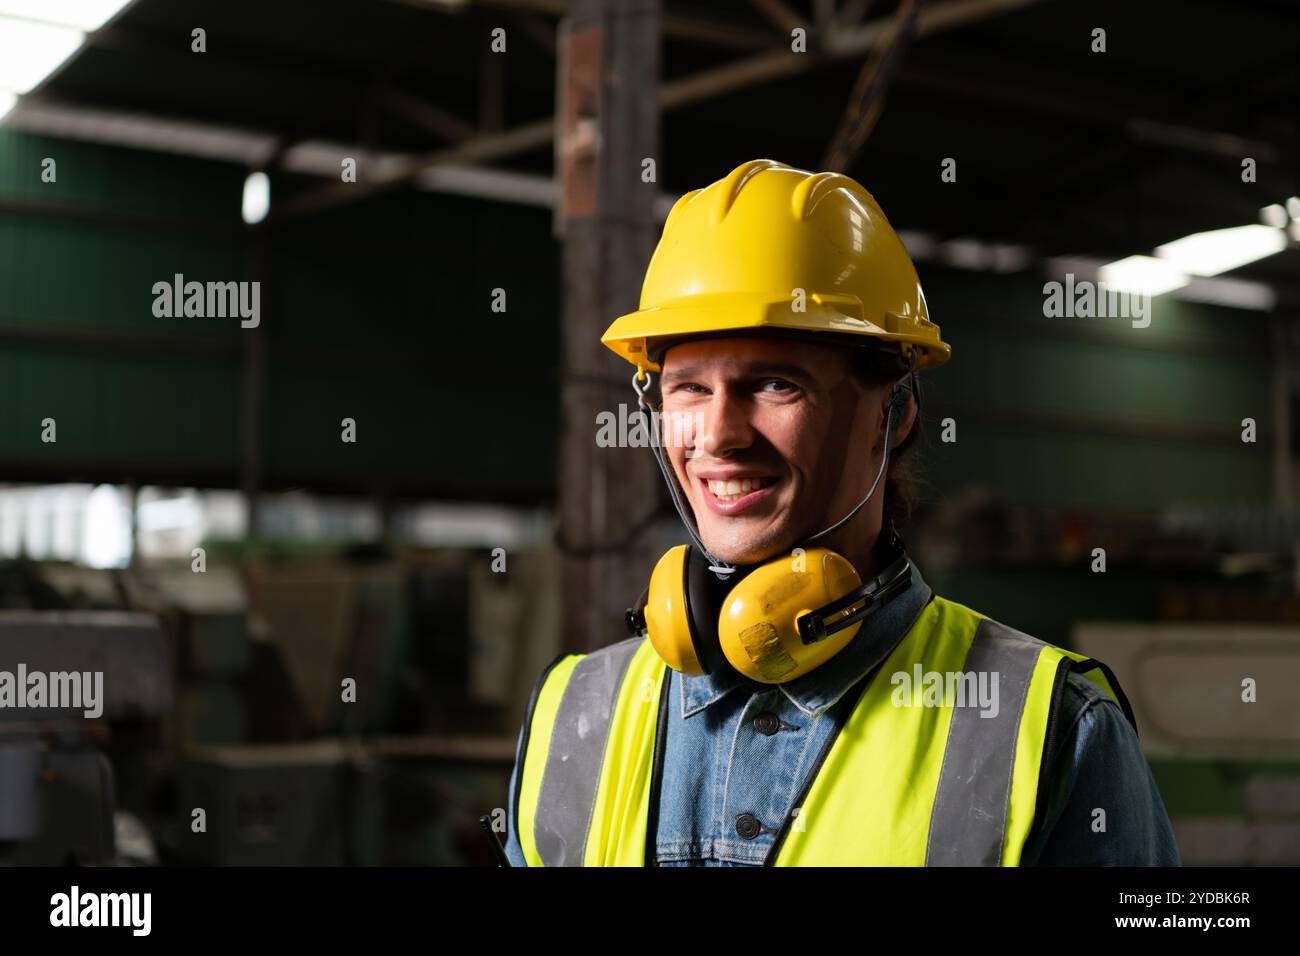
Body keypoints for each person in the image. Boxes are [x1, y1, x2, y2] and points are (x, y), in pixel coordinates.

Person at [502, 159, 1180, 866]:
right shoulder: (571, 717)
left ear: (895, 417)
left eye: (773, 384)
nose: (719, 436)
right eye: (690, 389)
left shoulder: (1048, 729)